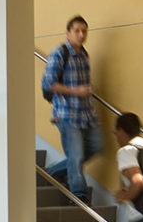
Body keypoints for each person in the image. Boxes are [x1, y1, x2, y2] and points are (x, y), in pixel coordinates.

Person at [41, 15, 103, 205]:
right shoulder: (59, 54)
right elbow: (48, 83)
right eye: (77, 31)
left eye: (84, 31)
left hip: (86, 114)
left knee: (96, 146)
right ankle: (79, 195)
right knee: (75, 155)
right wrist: (75, 91)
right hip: (66, 114)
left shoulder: (84, 55)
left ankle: (52, 172)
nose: (81, 34)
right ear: (68, 33)